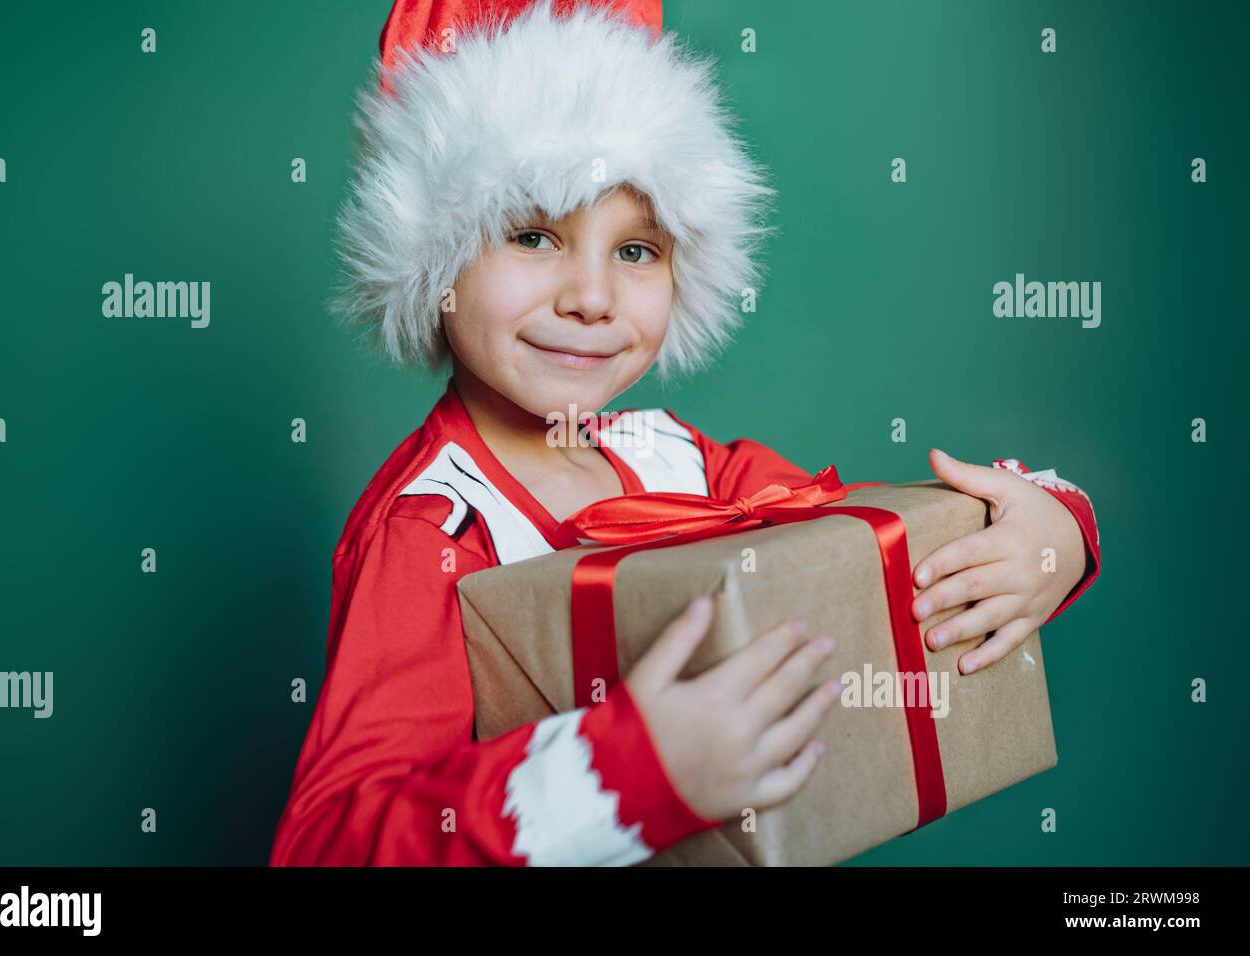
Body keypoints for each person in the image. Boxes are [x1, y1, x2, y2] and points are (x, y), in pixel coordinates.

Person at [269, 0, 1101, 866]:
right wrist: (626, 770)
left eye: (636, 251)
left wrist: (1047, 531)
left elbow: (869, 545)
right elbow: (327, 846)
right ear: (432, 260)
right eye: (532, 235)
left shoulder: (678, 459)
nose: (591, 297)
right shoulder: (434, 531)